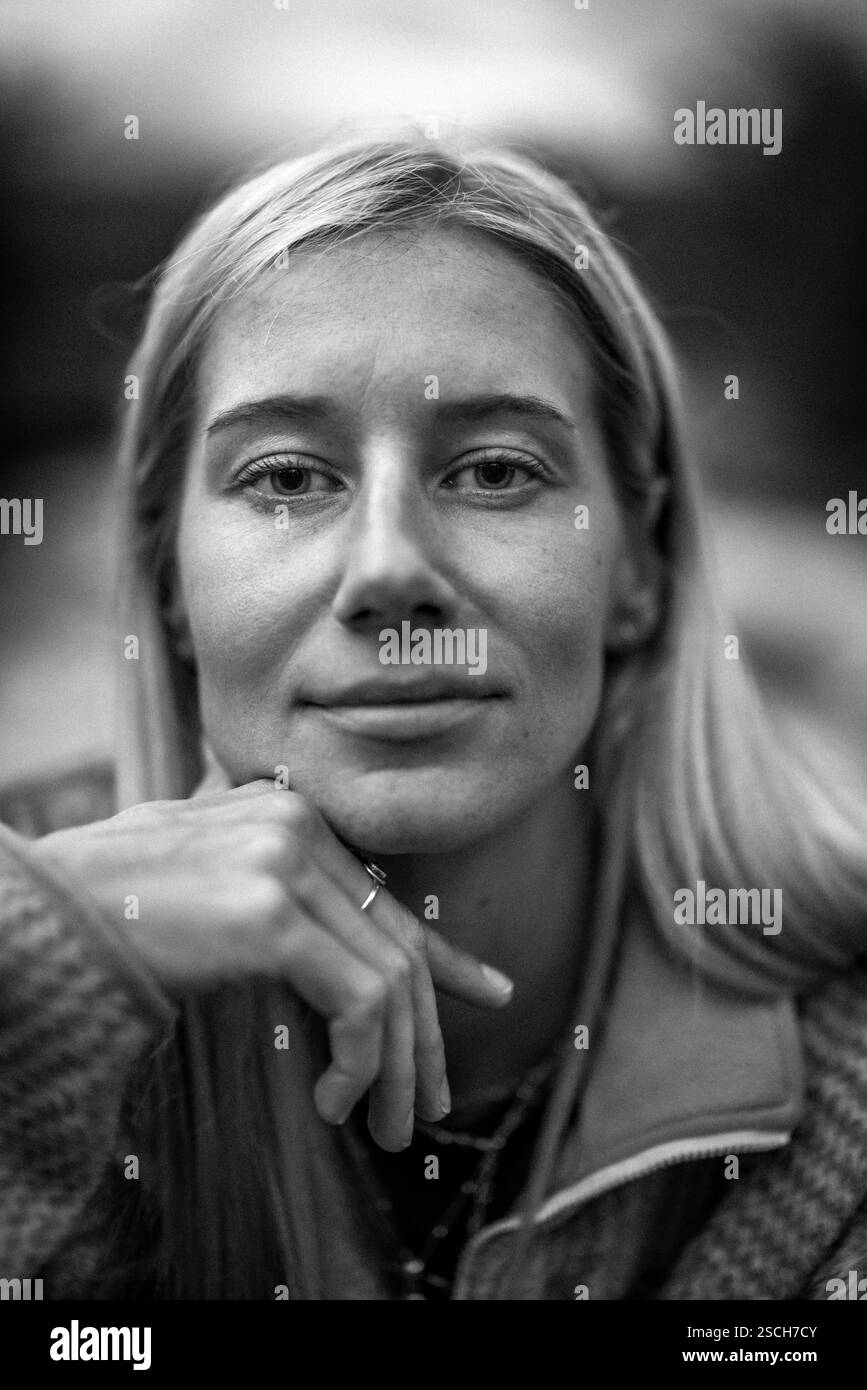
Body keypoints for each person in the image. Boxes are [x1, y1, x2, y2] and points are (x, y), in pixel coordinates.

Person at [1, 133, 866, 1302]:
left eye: (498, 470)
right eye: (289, 477)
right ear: (170, 580)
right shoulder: (31, 924)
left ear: (638, 566)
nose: (389, 570)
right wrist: (46, 971)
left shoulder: (847, 1071)